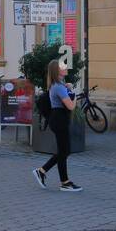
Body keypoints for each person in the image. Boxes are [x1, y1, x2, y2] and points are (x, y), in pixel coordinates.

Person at [33, 60, 82, 192]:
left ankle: (63, 181)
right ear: (57, 70)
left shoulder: (58, 85)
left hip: (58, 119)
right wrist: (75, 94)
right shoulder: (59, 87)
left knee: (63, 151)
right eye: (62, 66)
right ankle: (44, 172)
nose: (65, 67)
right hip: (59, 120)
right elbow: (71, 106)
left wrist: (68, 88)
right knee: (64, 151)